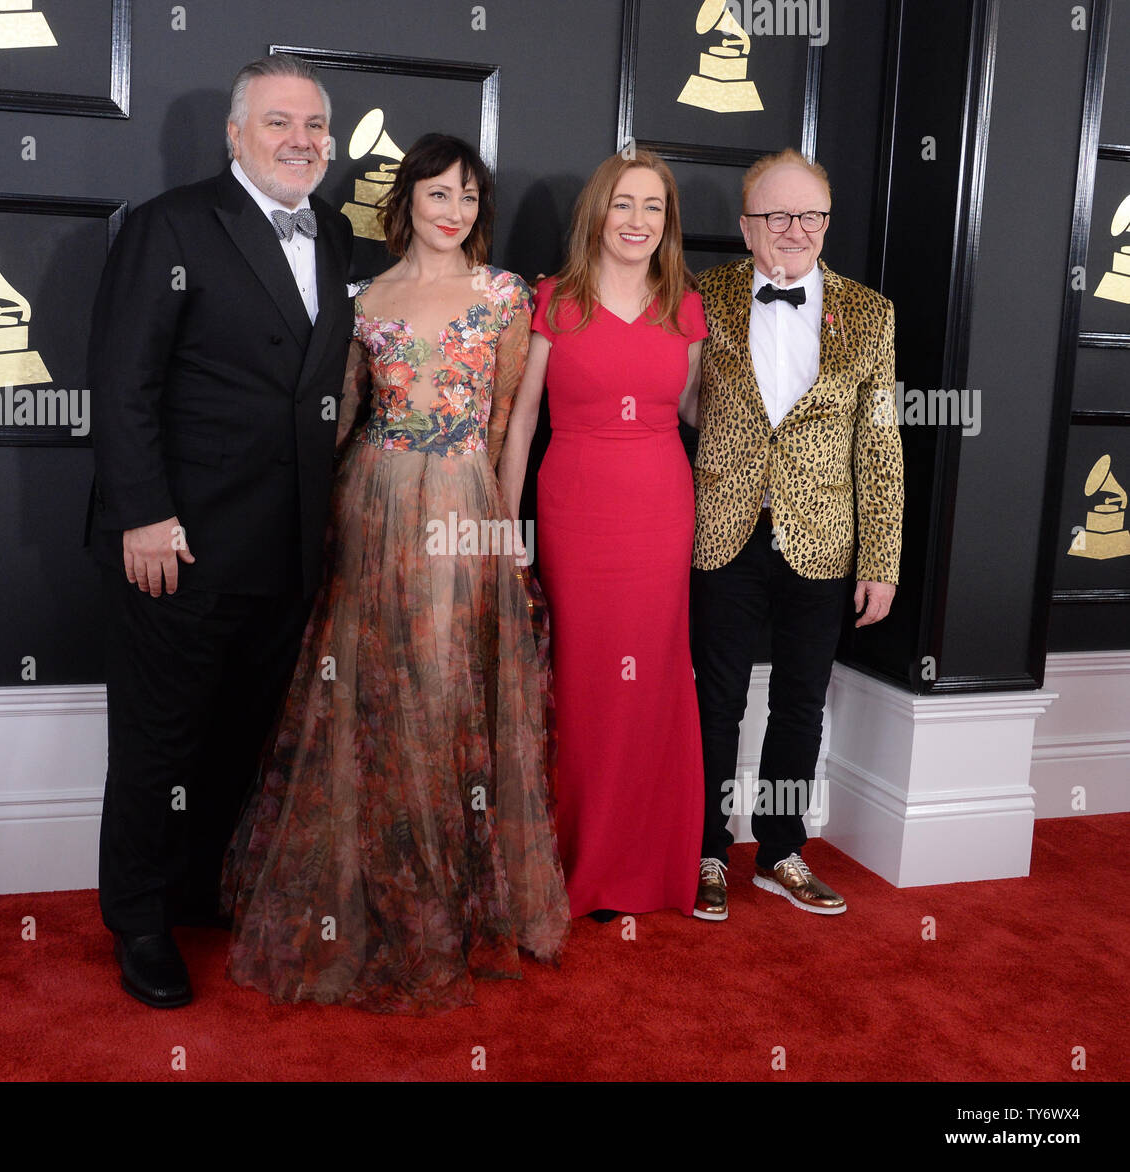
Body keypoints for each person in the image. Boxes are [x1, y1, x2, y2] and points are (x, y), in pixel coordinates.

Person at [220, 133, 570, 1014]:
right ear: (404, 200)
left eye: (468, 198)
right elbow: (336, 419)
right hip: (370, 503)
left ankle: (448, 899)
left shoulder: (502, 297)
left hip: (461, 505)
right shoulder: (363, 296)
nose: (453, 212)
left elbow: (506, 426)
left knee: (446, 692)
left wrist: (501, 526)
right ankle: (373, 893)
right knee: (369, 692)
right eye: (437, 195)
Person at [87, 54, 354, 1007]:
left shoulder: (332, 231)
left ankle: (199, 888)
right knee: (158, 742)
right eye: (280, 122)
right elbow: (123, 387)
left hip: (284, 550)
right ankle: (140, 920)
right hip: (180, 545)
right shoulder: (171, 224)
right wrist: (147, 517)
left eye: (316, 126)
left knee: (238, 738)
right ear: (235, 134)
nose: (302, 141)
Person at [689, 147, 903, 920]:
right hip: (722, 530)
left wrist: (882, 557)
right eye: (777, 215)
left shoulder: (870, 312)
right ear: (747, 228)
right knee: (716, 700)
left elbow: (881, 444)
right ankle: (706, 848)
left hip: (824, 538)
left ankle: (780, 849)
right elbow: (677, 407)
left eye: (811, 214)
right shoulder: (701, 296)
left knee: (803, 702)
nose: (796, 229)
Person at [498, 150, 707, 921]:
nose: (639, 221)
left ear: (668, 223)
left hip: (660, 508)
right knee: (582, 678)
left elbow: (693, 413)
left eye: (654, 208)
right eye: (624, 204)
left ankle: (644, 866)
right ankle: (571, 862)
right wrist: (501, 528)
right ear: (598, 212)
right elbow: (521, 423)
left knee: (650, 676)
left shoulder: (685, 307)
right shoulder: (553, 300)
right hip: (576, 509)